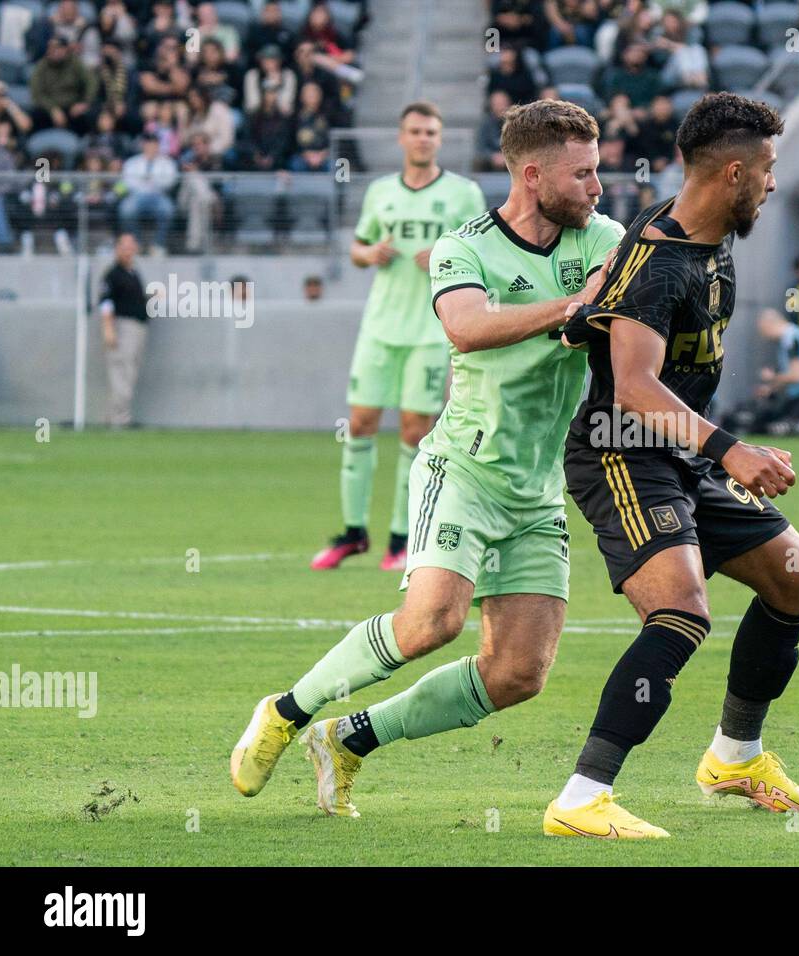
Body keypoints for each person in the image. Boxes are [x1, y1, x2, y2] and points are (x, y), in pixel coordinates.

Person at [231, 99, 624, 817]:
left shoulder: (604, 237)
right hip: (464, 468)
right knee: (431, 622)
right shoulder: (463, 247)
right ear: (533, 175)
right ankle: (286, 712)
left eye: (598, 172)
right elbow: (469, 329)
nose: (598, 187)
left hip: (536, 487)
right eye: (584, 174)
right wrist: (569, 310)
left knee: (518, 674)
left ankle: (348, 739)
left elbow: (609, 311)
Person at [548, 92, 799, 839]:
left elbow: (595, 321)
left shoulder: (705, 234)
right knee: (680, 612)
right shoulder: (658, 264)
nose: (773, 183)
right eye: (767, 169)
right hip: (620, 452)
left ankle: (735, 756)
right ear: (732, 172)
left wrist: (586, 318)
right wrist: (732, 449)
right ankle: (580, 797)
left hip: (680, 455)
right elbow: (634, 388)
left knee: (797, 578)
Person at [310, 102, 487, 573]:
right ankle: (353, 532)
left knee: (414, 431)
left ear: (440, 138)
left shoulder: (463, 194)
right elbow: (356, 248)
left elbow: (483, 253)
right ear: (401, 138)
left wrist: (448, 254)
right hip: (380, 328)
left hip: (430, 330)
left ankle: (402, 538)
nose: (423, 138)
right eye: (415, 131)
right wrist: (370, 253)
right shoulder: (380, 192)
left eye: (431, 131)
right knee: (362, 423)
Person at [97, 234, 151, 428]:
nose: (129, 251)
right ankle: (120, 418)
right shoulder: (113, 274)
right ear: (117, 249)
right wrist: (108, 328)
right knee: (121, 371)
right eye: (125, 247)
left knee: (130, 372)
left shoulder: (133, 273)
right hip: (122, 326)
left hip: (137, 327)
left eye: (131, 247)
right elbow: (105, 303)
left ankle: (116, 416)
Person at [119, 132, 178, 254]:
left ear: (158, 146)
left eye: (154, 145)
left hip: (159, 195)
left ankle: (158, 245)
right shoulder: (132, 162)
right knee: (126, 210)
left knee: (168, 210)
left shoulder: (167, 162)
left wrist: (152, 180)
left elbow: (170, 181)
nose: (151, 147)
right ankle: (137, 243)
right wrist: (145, 183)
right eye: (148, 144)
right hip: (137, 196)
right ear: (144, 145)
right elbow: (128, 181)